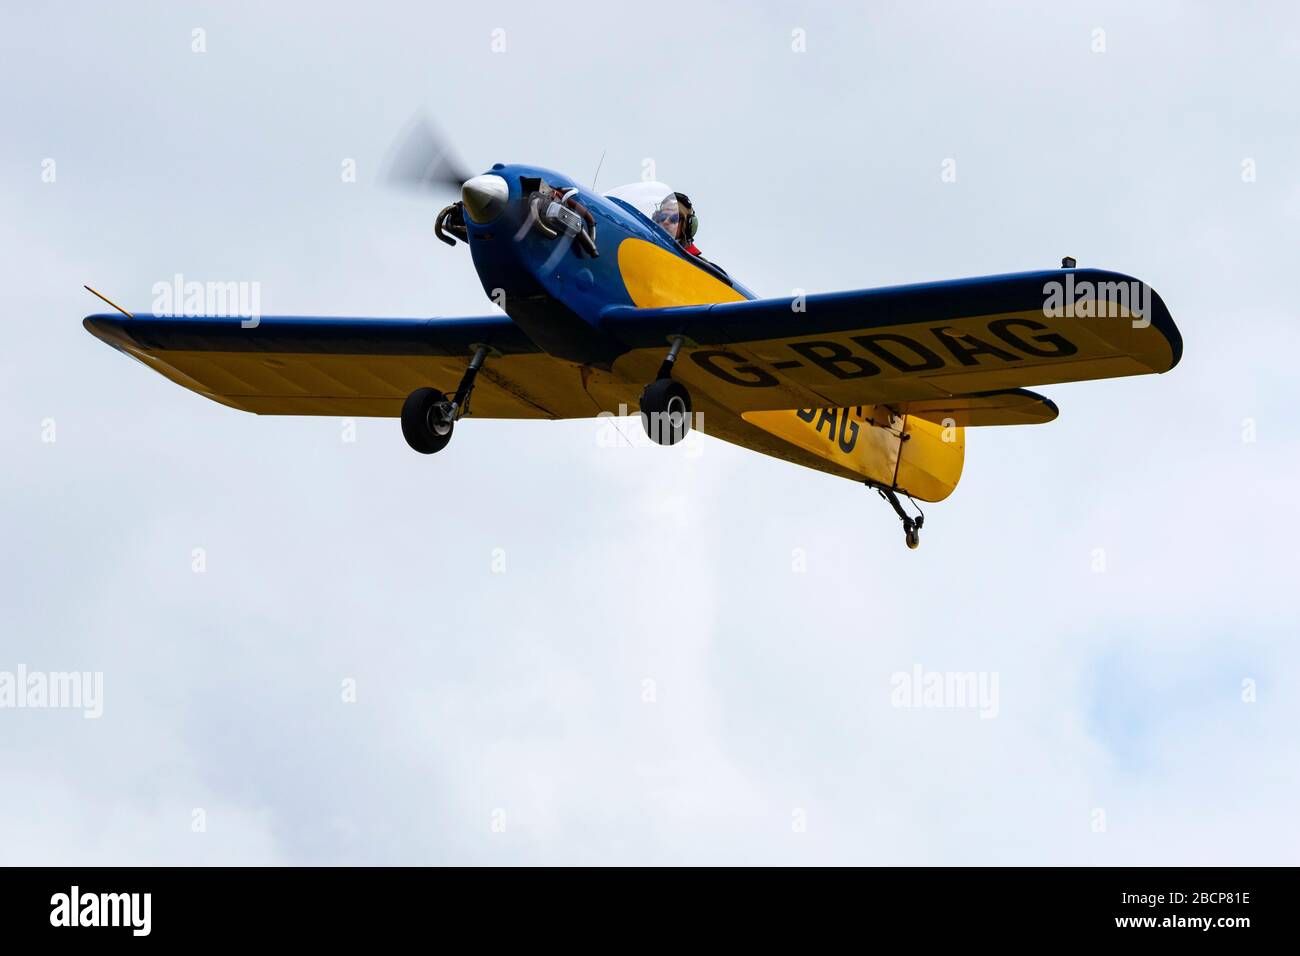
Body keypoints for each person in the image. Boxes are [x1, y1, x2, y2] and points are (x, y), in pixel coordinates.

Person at [653, 192, 702, 256]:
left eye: (674, 218)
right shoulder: (641, 245)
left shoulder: (695, 264)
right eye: (663, 216)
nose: (666, 222)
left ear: (687, 226)